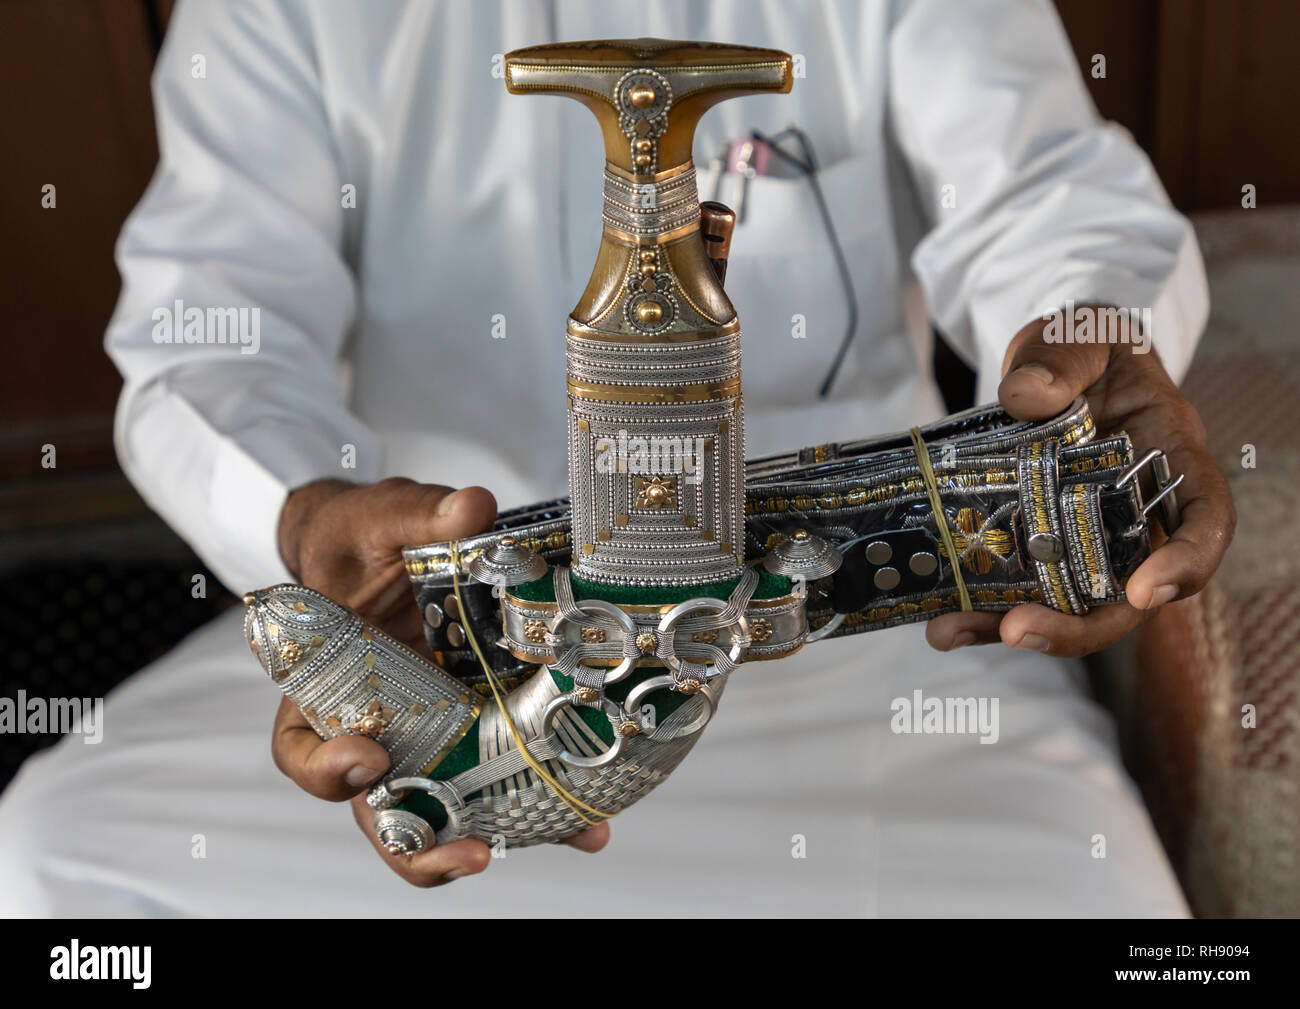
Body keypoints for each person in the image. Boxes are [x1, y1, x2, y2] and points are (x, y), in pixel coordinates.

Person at [0, 0, 1232, 916]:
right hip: (443, 644)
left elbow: (1048, 198)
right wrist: (302, 512)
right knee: (58, 856)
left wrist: (1096, 333)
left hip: (850, 642)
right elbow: (206, 331)